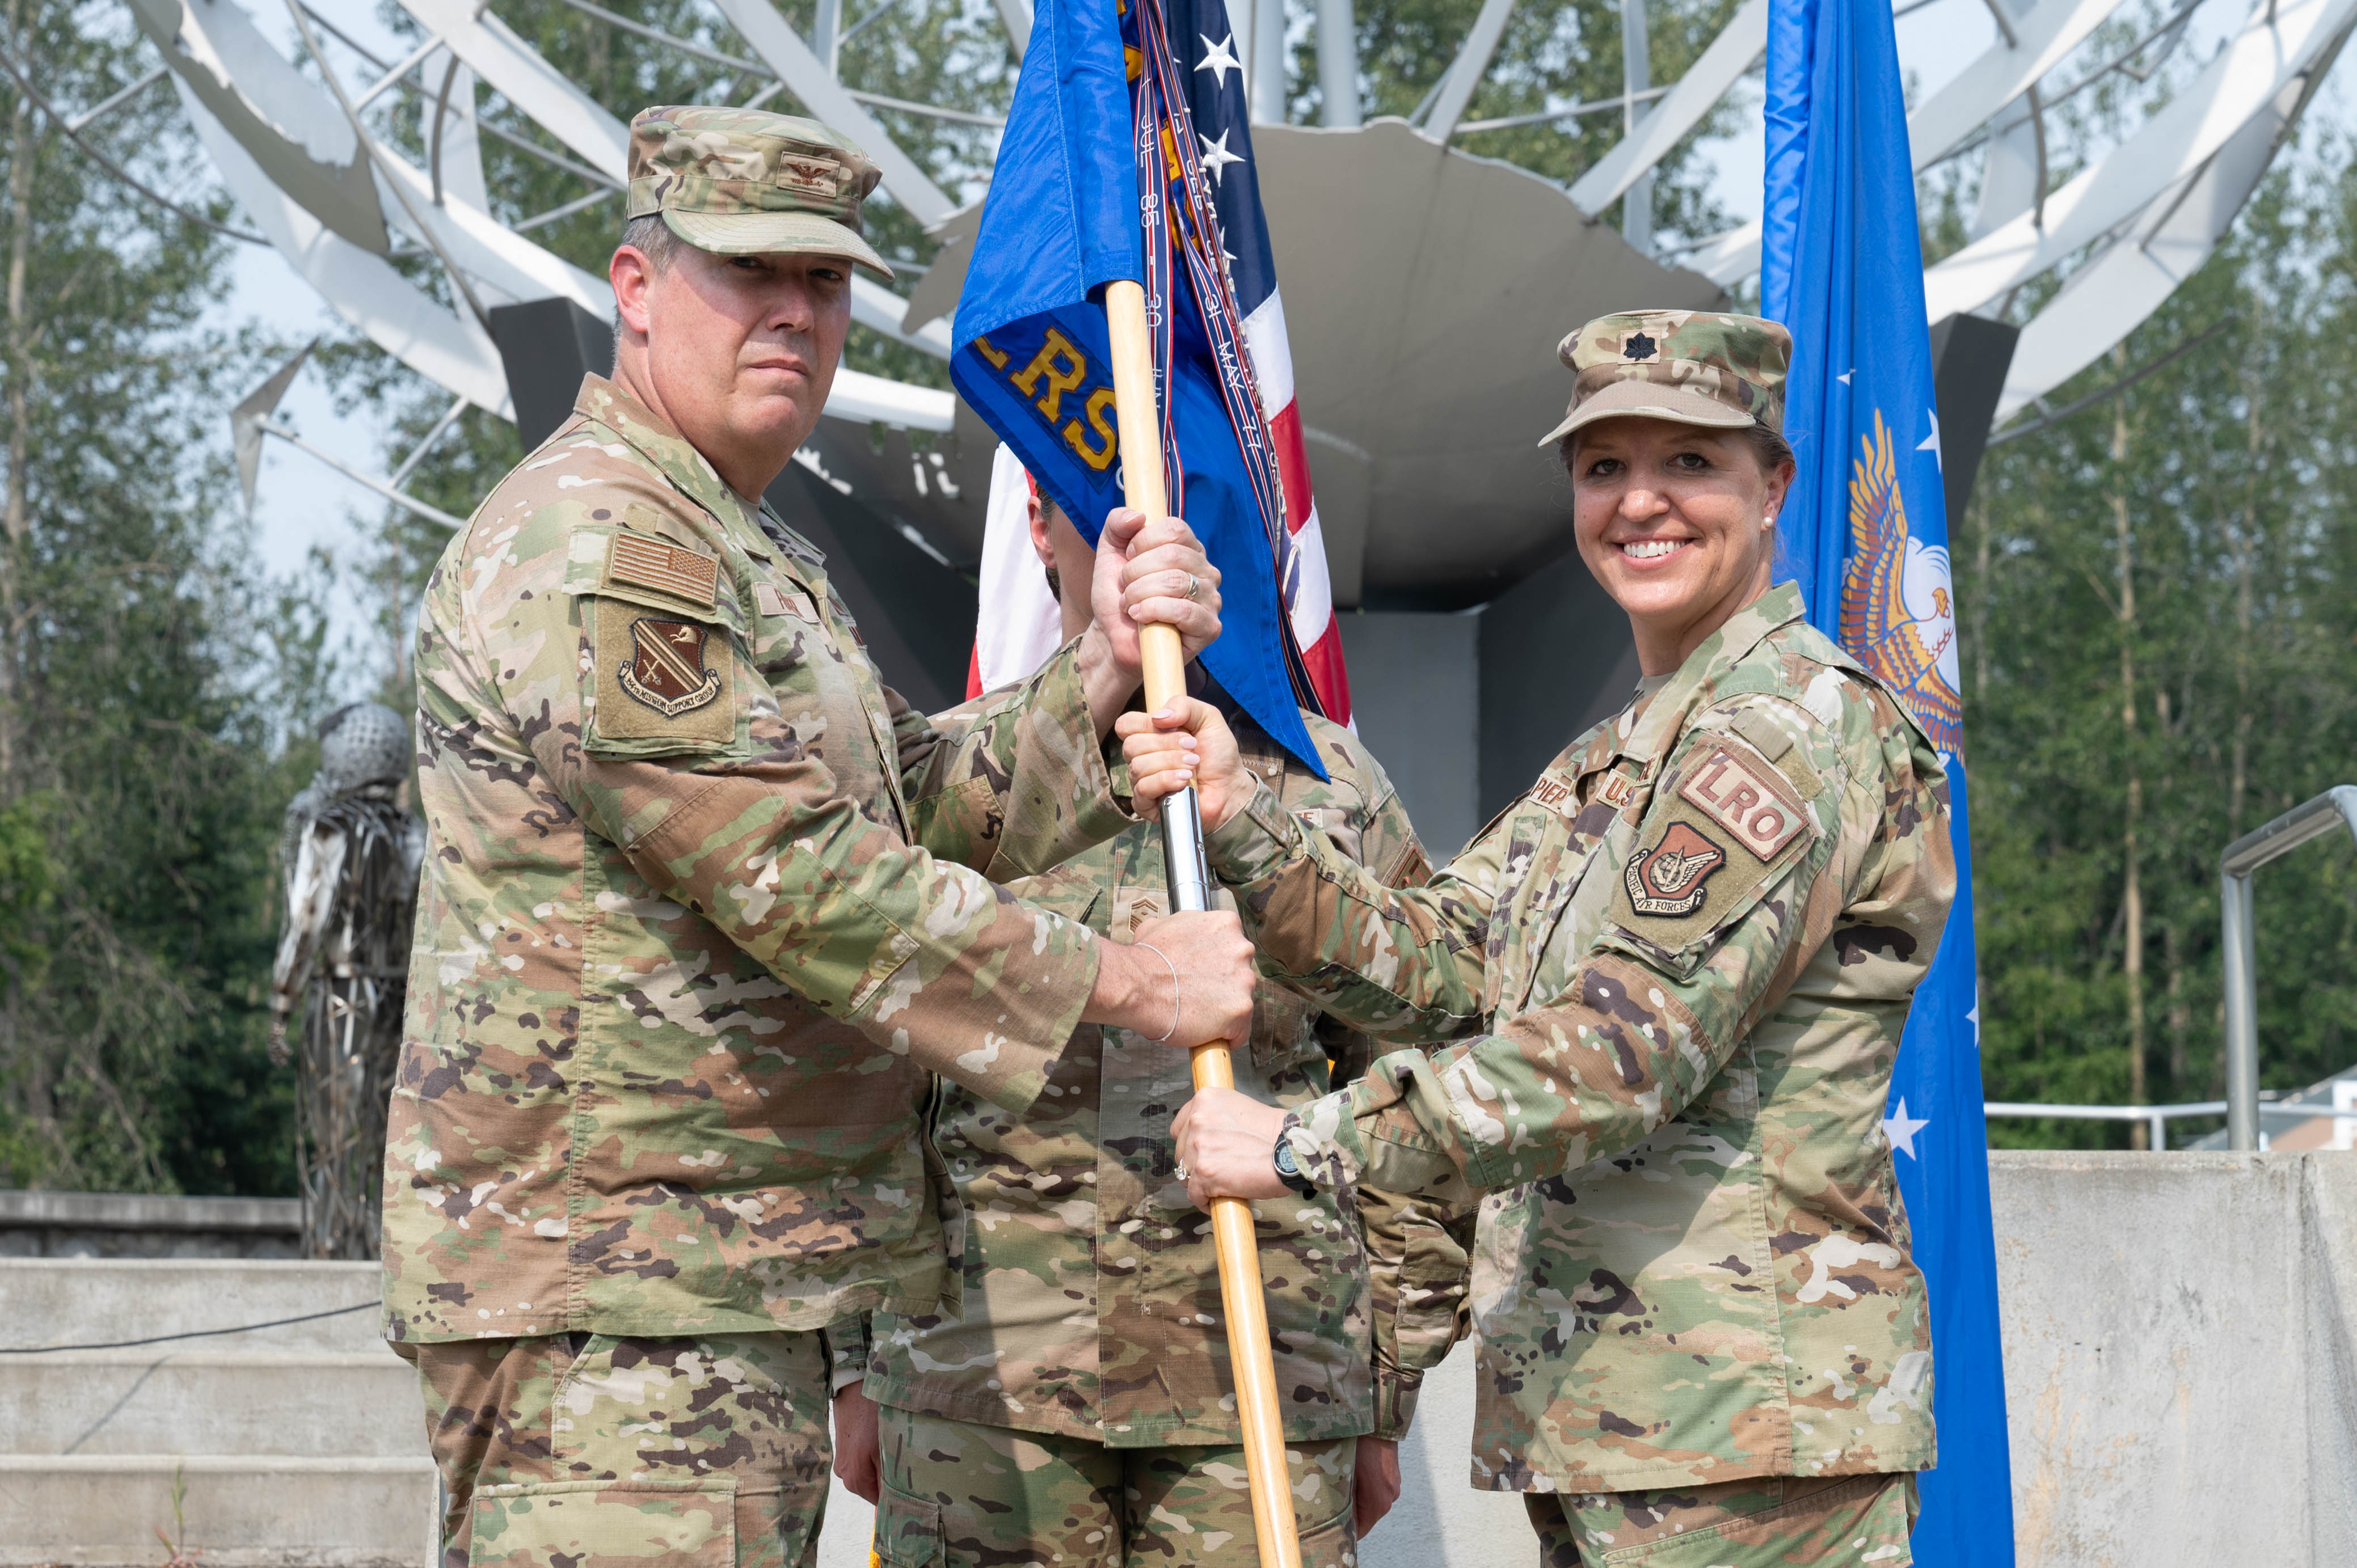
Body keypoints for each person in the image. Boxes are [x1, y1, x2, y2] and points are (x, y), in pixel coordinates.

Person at [383, 107, 1260, 1568]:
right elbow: (801, 880)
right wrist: (1128, 981)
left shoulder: (741, 546)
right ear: (637, 285)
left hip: (705, 1289)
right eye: (752, 272)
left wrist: (1099, 670)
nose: (797, 313)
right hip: (618, 1304)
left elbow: (898, 812)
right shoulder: (610, 548)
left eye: (827, 283)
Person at [1120, 311, 1957, 1568]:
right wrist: (1246, 823)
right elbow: (1449, 962)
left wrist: (1299, 1141)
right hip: (1638, 1418)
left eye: (1689, 461)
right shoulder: (1622, 753)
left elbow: (1619, 1053)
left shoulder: (1778, 729)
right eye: (1603, 466)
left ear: (1771, 481)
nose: (1641, 503)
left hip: (1743, 1439)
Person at [829, 487, 1475, 1568]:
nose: (1151, 532)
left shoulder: (1329, 790)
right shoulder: (957, 790)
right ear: (1039, 521)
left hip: (1263, 1376)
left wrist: (1384, 1372)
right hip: (984, 1378)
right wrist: (855, 1357)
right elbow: (861, 1072)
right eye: (1104, 500)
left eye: (1183, 500)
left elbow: (1417, 1076)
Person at [270, 701, 424, 1260]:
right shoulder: (416, 834)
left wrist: (279, 1003)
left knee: (332, 1135)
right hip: (399, 1001)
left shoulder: (329, 829)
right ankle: (381, 1252)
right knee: (387, 1132)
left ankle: (331, 1248)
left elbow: (304, 926)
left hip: (339, 996)